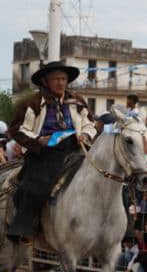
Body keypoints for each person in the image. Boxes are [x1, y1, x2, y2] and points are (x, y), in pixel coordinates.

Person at [6, 61, 97, 242]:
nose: (61, 83)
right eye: (56, 79)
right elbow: (17, 129)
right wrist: (38, 140)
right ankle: (22, 227)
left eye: (63, 79)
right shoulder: (32, 102)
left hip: (75, 149)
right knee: (35, 185)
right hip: (43, 152)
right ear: (45, 81)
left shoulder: (77, 101)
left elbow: (89, 123)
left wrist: (85, 135)